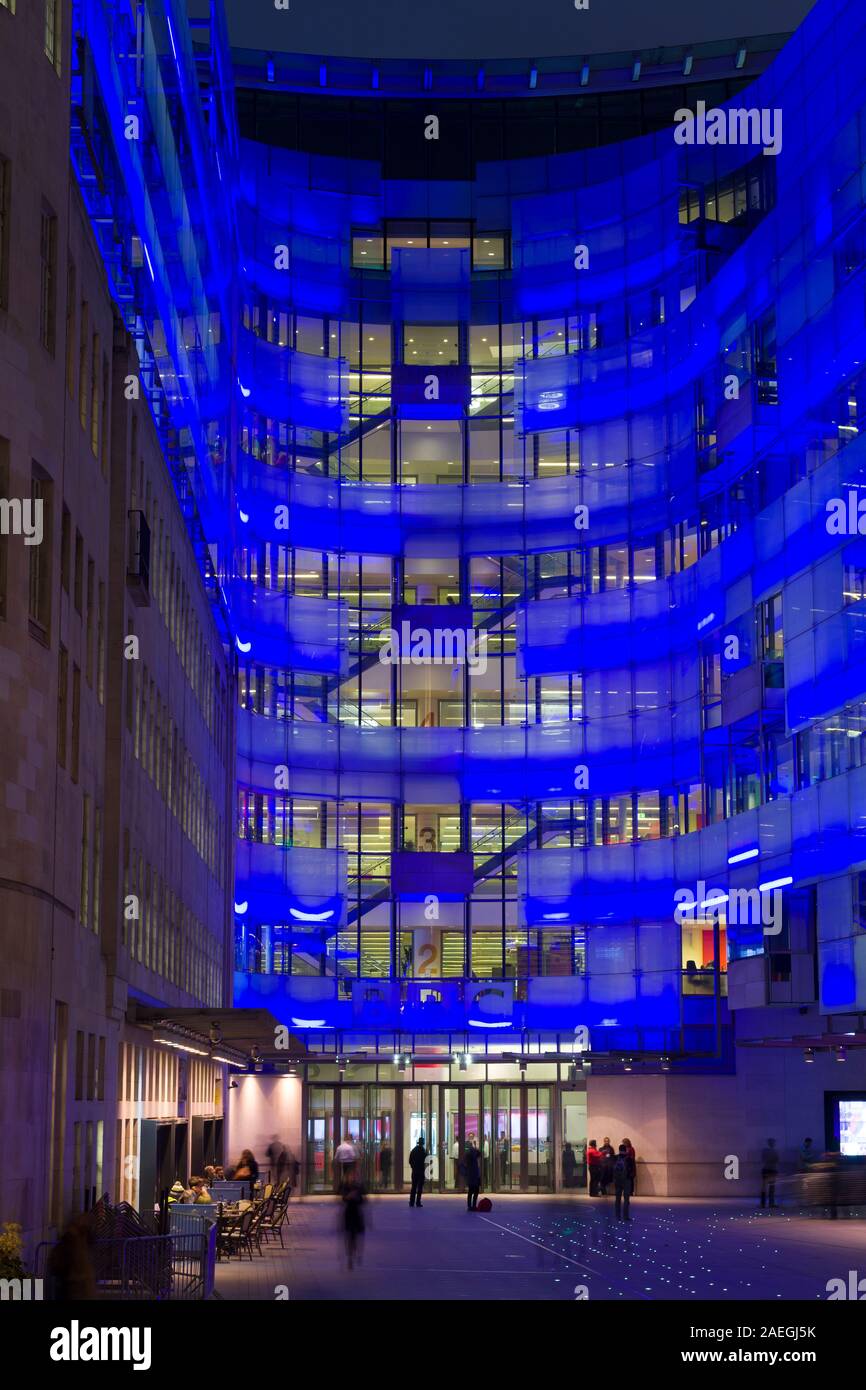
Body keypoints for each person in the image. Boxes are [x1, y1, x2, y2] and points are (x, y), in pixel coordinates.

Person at [340, 1173, 367, 1270]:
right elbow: (343, 1199)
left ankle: (356, 1254)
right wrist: (349, 1196)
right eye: (351, 1176)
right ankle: (350, 1257)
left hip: (356, 1215)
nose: (352, 1178)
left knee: (356, 1236)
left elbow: (363, 1201)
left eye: (354, 1177)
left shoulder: (359, 1188)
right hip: (349, 1215)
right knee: (350, 1237)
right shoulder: (345, 1188)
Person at [613, 1144, 636, 1221]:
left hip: (617, 1181)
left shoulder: (615, 1158)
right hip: (627, 1180)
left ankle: (617, 1216)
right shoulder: (630, 1159)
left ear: (619, 1150)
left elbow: (611, 1169)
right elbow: (633, 1172)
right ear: (626, 1150)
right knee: (626, 1199)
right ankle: (625, 1216)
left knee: (617, 1199)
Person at [760, 1137, 780, 1208]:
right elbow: (777, 1160)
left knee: (764, 1187)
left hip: (766, 1169)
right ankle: (771, 1203)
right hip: (772, 1169)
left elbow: (763, 1159)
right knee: (771, 1187)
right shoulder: (775, 1151)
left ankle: (763, 1204)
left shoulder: (764, 1151)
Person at [409, 1135, 427, 1207]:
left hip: (414, 1171)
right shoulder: (423, 1151)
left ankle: (411, 1202)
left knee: (413, 1187)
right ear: (423, 1143)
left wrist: (413, 1167)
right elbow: (426, 1160)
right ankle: (418, 1202)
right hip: (421, 1171)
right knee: (419, 1188)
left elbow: (410, 1161)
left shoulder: (413, 1150)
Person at [465, 1139, 482, 1211]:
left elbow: (478, 1153)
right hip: (475, 1175)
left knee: (471, 1191)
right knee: (475, 1191)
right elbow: (479, 1153)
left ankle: (469, 1206)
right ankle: (473, 1205)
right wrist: (475, 1147)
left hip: (471, 1175)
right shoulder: (473, 1156)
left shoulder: (468, 1155)